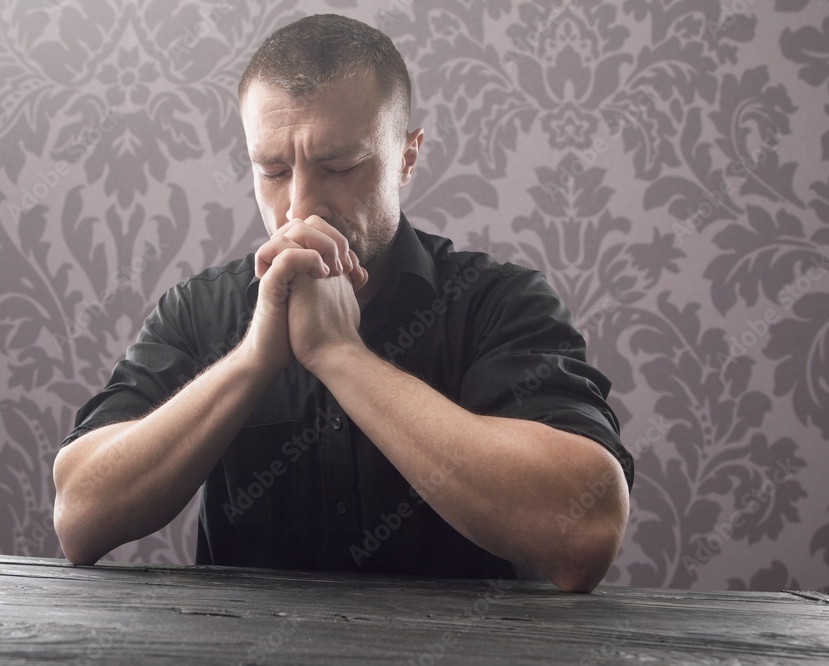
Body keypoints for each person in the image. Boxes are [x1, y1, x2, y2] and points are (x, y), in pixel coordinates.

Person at [53, 14, 633, 593]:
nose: (300, 206)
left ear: (406, 158)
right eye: (273, 171)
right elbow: (79, 518)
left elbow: (586, 532)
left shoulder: (499, 304)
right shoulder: (197, 309)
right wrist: (252, 360)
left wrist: (339, 354)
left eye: (339, 167)